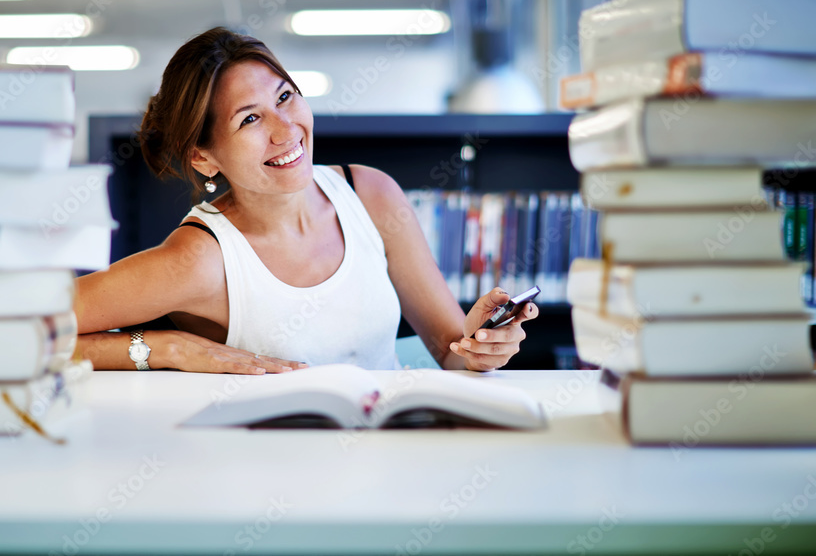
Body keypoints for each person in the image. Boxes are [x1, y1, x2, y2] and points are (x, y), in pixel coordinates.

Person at [73, 27, 537, 373]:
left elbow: (450, 354)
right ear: (204, 156)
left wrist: (480, 349)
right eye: (250, 119)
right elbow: (26, 330)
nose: (285, 130)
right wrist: (170, 347)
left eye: (285, 97)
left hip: (390, 462)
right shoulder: (200, 259)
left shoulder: (370, 194)